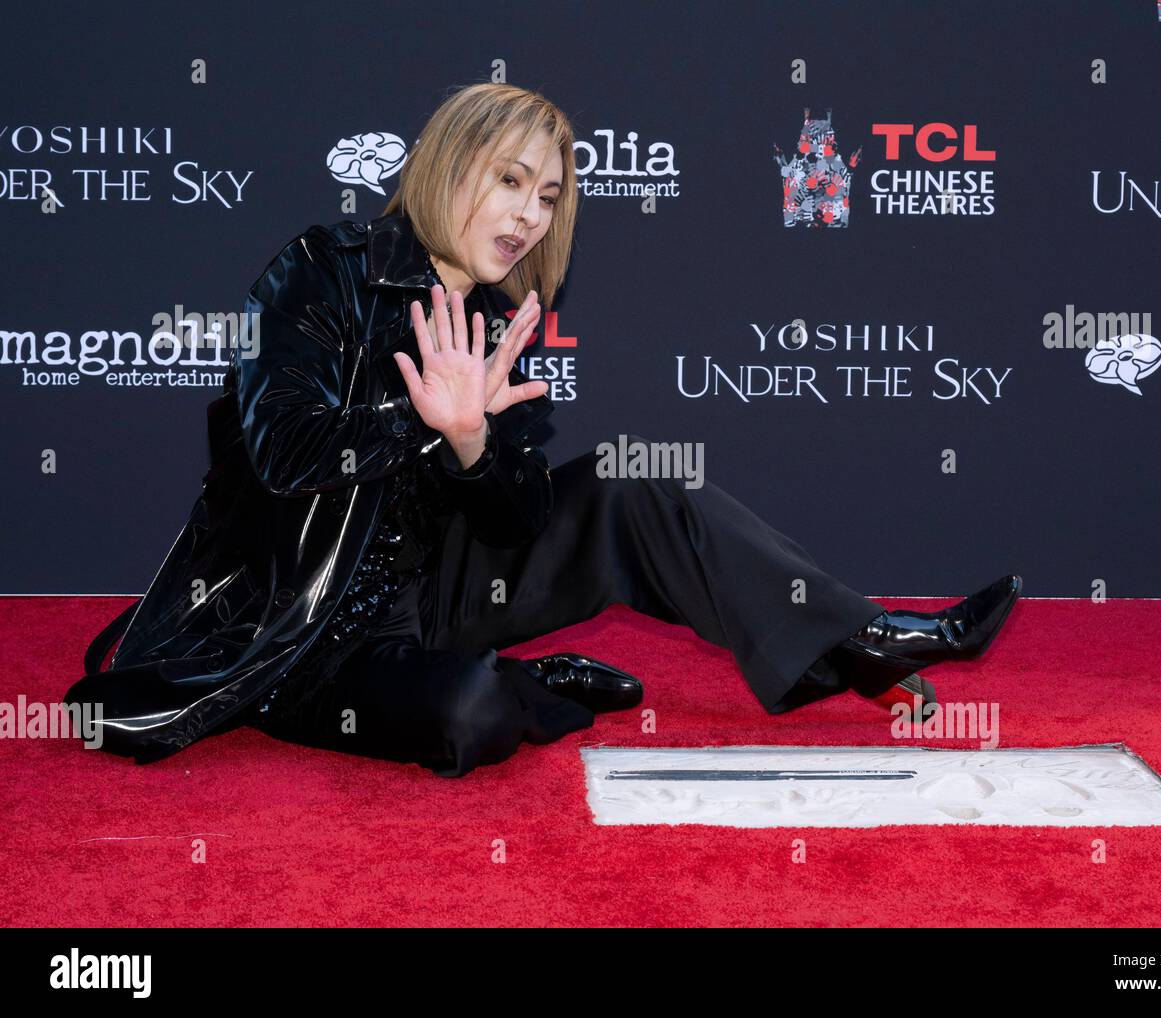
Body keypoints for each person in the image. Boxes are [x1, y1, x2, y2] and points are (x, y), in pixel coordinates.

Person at [64, 83, 1021, 778]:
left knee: (634, 481)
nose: (529, 216)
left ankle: (871, 640)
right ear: (450, 164)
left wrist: (476, 443)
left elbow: (519, 521)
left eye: (550, 197)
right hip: (304, 625)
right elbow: (281, 455)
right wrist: (420, 418)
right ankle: (517, 681)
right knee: (470, 720)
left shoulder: (491, 320)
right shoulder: (323, 267)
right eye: (511, 181)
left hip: (436, 595)